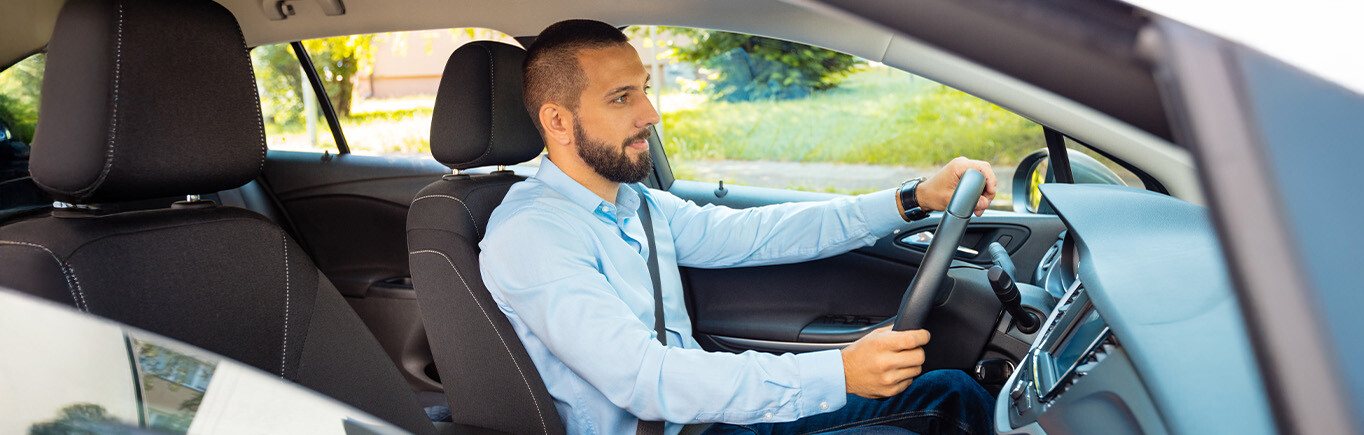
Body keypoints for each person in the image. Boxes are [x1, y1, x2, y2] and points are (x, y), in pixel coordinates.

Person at [480, 19, 998, 435]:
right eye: (622, 98)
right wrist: (838, 372)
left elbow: (762, 233)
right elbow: (645, 379)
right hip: (674, 425)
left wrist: (913, 198)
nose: (651, 113)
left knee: (949, 393)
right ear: (558, 121)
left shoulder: (636, 204)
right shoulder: (531, 236)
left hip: (712, 419)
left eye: (643, 90)